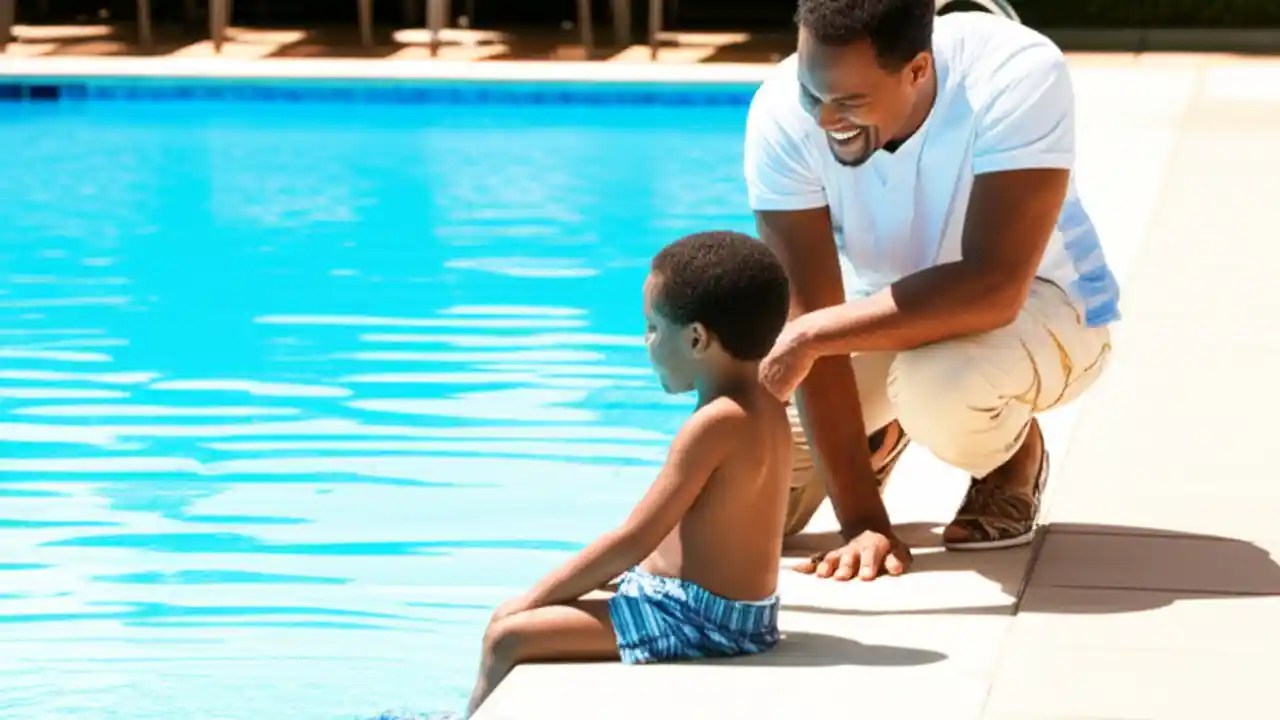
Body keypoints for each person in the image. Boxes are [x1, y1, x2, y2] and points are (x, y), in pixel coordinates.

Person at [744, 0, 1119, 581]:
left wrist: (813, 334)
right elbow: (808, 318)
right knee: (755, 499)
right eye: (811, 93)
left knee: (937, 390)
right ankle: (884, 434)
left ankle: (1009, 456)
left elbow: (993, 288)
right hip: (887, 314)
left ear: (917, 70)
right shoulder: (781, 112)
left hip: (1043, 304)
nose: (822, 120)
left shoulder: (1016, 73)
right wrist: (863, 521)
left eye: (847, 102)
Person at [465, 231, 793, 717]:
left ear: (697, 338)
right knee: (556, 602)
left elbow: (634, 539)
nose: (646, 342)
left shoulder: (715, 423)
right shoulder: (766, 406)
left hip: (701, 621)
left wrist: (529, 599)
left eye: (652, 328)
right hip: (729, 614)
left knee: (505, 634)